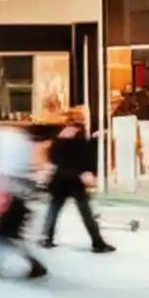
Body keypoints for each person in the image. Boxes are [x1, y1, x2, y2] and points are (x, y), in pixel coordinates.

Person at [0, 124, 47, 279]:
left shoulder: (5, 167)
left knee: (4, 236)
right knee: (5, 236)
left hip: (10, 206)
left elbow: (4, 191)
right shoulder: (18, 162)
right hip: (15, 204)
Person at [40, 108, 115, 253]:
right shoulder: (79, 137)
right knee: (86, 212)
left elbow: (53, 157)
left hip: (60, 179)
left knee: (54, 208)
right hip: (75, 179)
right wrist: (88, 172)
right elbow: (84, 156)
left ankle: (47, 238)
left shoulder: (59, 137)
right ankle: (97, 243)